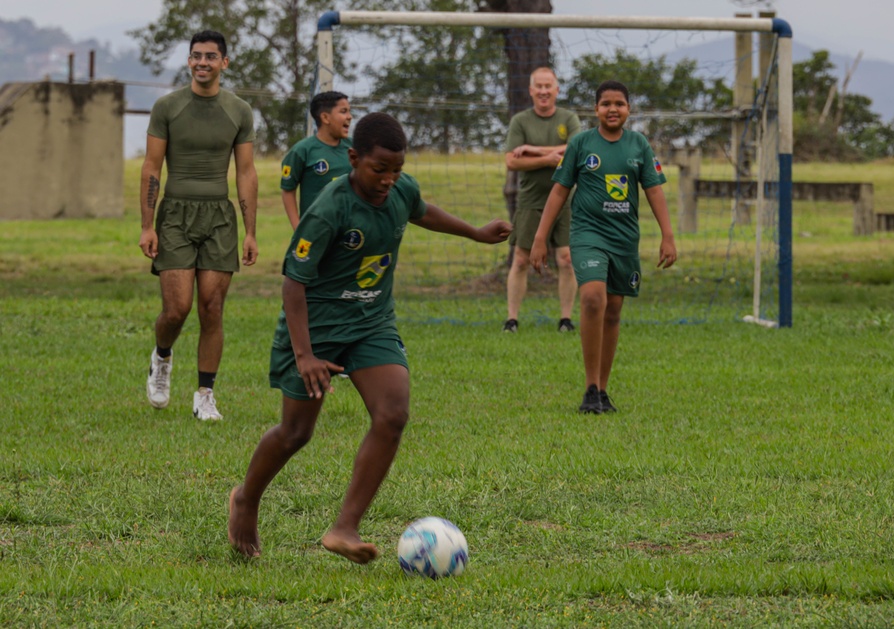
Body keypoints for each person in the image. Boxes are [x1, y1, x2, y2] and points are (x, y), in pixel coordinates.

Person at [227, 112, 511, 560]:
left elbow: (421, 210)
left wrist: (475, 233)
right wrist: (304, 355)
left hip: (371, 321)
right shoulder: (328, 210)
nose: (388, 180)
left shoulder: (401, 188)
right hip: (316, 328)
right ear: (354, 158)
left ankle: (345, 527)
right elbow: (293, 283)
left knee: (393, 413)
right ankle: (246, 499)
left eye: (396, 170)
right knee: (295, 432)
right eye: (379, 170)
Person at [529, 80, 677, 414]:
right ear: (595, 109)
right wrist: (540, 237)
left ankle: (603, 391)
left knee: (613, 309)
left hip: (624, 239)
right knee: (594, 297)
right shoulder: (581, 144)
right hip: (588, 234)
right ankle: (589, 387)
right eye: (606, 104)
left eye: (620, 104)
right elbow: (558, 191)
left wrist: (668, 235)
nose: (613, 109)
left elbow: (654, 191)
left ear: (629, 109)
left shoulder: (639, 145)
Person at [139, 30, 258, 421]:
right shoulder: (168, 107)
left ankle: (205, 394)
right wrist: (147, 225)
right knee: (177, 309)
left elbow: (245, 173)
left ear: (225, 62)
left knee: (212, 307)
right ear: (188, 61)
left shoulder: (238, 111)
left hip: (218, 218)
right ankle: (162, 356)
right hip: (174, 215)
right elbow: (152, 168)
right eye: (195, 56)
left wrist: (250, 230)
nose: (202, 63)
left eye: (210, 57)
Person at [503, 67, 581, 333]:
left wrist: (534, 150)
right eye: (539, 86)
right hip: (531, 201)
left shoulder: (569, 118)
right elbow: (512, 160)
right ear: (531, 90)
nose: (544, 91)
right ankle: (512, 319)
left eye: (549, 86)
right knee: (521, 260)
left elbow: (576, 148)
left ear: (557, 90)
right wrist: (547, 160)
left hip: (566, 201)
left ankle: (566, 320)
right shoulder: (520, 122)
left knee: (567, 259)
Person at [280, 91, 353, 230]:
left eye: (349, 111)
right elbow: (288, 191)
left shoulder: (355, 148)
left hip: (350, 232)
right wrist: (299, 229)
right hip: (317, 230)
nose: (350, 116)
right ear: (325, 117)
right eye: (343, 111)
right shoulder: (302, 151)